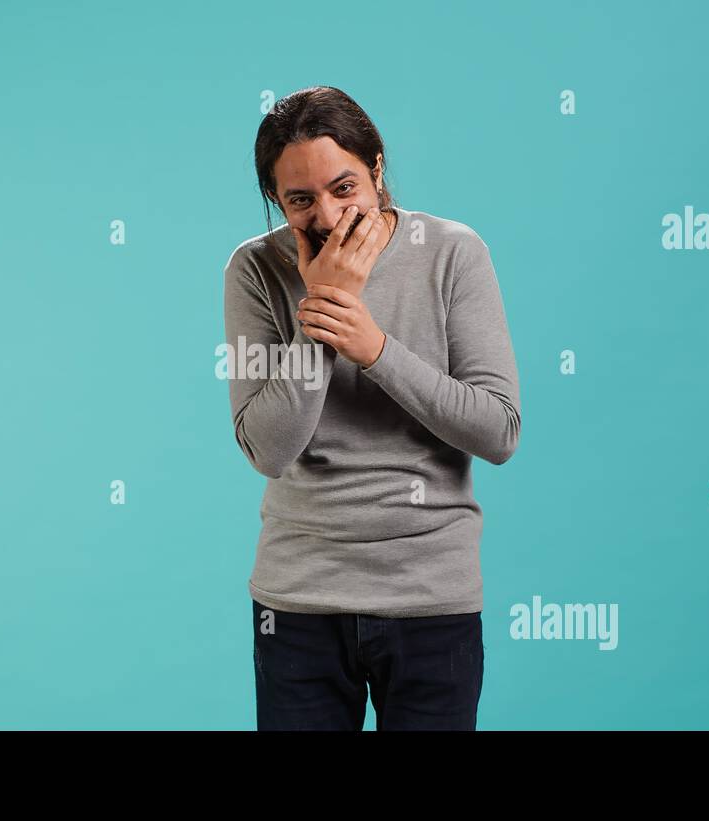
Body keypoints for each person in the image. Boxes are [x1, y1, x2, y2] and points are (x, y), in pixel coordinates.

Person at [223, 86, 522, 730]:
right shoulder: (255, 268)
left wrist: (376, 349)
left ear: (377, 169)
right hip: (298, 601)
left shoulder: (452, 252)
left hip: (430, 597)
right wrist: (322, 317)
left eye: (344, 188)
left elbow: (497, 430)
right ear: (276, 198)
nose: (329, 217)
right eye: (301, 200)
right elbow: (268, 449)